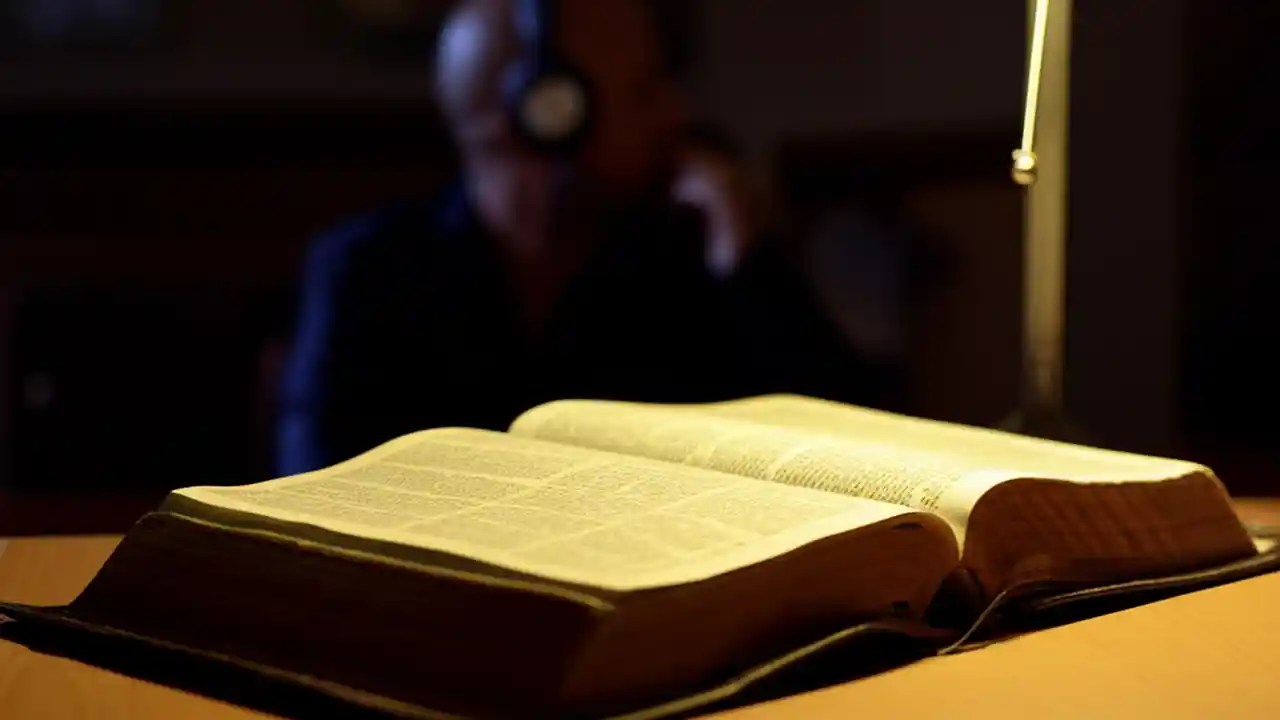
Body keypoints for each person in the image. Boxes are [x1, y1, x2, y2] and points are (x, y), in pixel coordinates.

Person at [276, 0, 895, 475]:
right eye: (646, 89)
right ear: (546, 110)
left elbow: (850, 449)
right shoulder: (366, 270)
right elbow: (315, 491)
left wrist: (745, 251)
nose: (676, 114)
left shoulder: (687, 260)